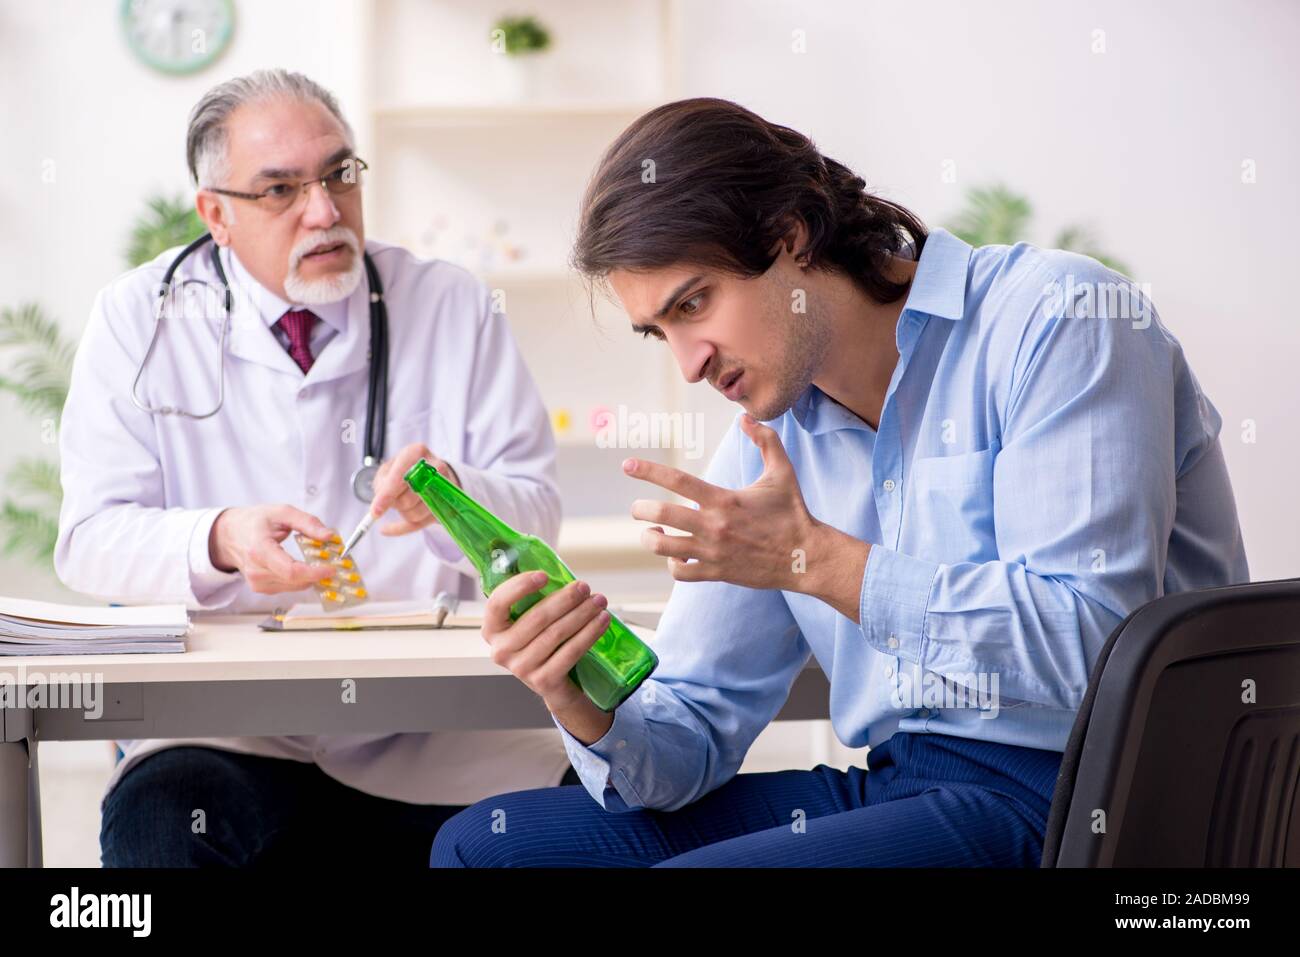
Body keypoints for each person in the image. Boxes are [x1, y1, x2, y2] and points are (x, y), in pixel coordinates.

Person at [430, 97, 1249, 867]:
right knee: (487, 848)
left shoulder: (1062, 318)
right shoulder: (770, 439)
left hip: (1094, 792)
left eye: (695, 304)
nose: (688, 364)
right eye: (659, 333)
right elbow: (691, 740)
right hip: (911, 779)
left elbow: (1091, 647)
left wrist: (815, 562)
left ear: (792, 235)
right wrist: (579, 693)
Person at [55, 69, 574, 867]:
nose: (325, 210)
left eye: (339, 174)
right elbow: (88, 538)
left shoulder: (451, 305)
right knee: (160, 828)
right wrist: (219, 537)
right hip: (228, 723)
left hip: (436, 732)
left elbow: (537, 510)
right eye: (281, 190)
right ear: (216, 214)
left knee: (554, 834)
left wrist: (455, 501)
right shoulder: (137, 319)